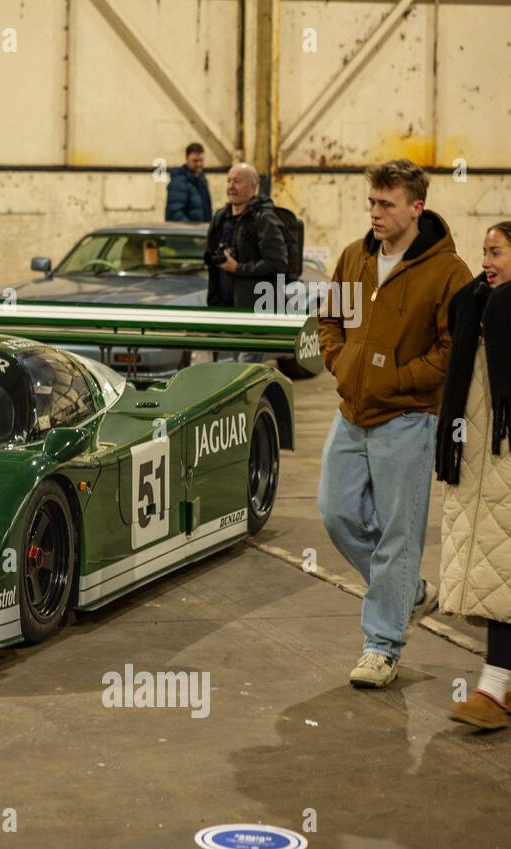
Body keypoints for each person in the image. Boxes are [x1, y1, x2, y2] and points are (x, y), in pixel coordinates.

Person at [316, 159, 472, 688]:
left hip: (408, 420)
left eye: (386, 204)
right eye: (372, 202)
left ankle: (381, 646)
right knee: (336, 514)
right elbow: (329, 319)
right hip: (351, 413)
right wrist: (341, 362)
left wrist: (399, 380)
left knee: (397, 535)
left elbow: (452, 351)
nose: (375, 213)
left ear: (416, 208)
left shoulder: (448, 273)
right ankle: (411, 592)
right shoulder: (354, 258)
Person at [436, 222, 511, 729]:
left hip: (503, 465)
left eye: (497, 252)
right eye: (484, 251)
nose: (486, 261)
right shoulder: (474, 306)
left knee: (502, 571)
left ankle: (491, 688)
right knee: (493, 572)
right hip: (476, 462)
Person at [205, 162, 286, 310]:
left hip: (256, 311)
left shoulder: (264, 219)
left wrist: (238, 268)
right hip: (222, 310)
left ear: (253, 187)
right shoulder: (220, 217)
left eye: (237, 181)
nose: (231, 186)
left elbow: (276, 264)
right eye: (228, 181)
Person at [165, 143, 212, 223]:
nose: (199, 164)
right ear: (187, 159)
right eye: (195, 161)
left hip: (201, 229)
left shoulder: (201, 181)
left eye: (201, 160)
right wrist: (191, 228)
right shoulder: (179, 182)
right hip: (188, 230)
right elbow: (175, 214)